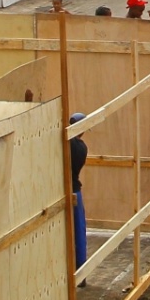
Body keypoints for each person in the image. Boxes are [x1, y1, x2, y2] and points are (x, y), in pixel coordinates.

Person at [68, 112, 89, 268]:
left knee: (76, 232)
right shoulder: (82, 147)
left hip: (68, 190)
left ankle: (80, 271)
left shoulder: (70, 144)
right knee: (79, 232)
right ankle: (81, 271)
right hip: (75, 190)